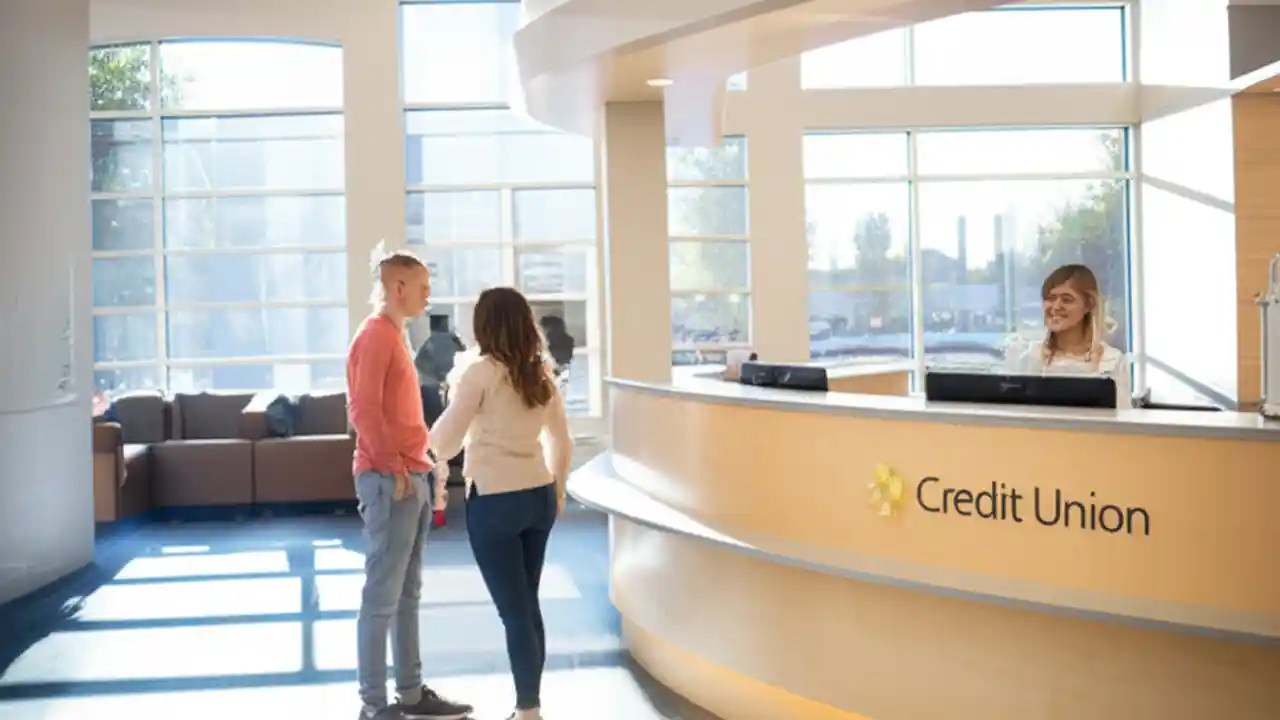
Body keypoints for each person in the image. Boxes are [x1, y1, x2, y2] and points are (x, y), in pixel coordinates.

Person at [430, 287, 574, 720]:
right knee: (527, 606)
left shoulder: (480, 373)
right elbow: (561, 441)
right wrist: (559, 491)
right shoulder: (540, 372)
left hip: (495, 500)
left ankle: (528, 711)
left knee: (514, 611)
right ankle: (529, 706)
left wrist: (422, 438)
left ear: (484, 326)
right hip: (538, 496)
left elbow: (445, 440)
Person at [347, 246, 473, 720]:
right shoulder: (375, 336)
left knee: (407, 593)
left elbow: (401, 415)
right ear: (398, 287)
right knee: (381, 595)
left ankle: (411, 694)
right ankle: (374, 706)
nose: (428, 295)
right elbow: (364, 411)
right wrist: (396, 469)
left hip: (411, 475)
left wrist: (427, 466)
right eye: (422, 287)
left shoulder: (395, 336)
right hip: (388, 479)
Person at [1007, 263, 1131, 408]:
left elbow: (1123, 422)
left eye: (1067, 299)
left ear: (1089, 304)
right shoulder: (1030, 357)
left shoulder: (1111, 362)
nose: (1056, 306)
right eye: (1050, 298)